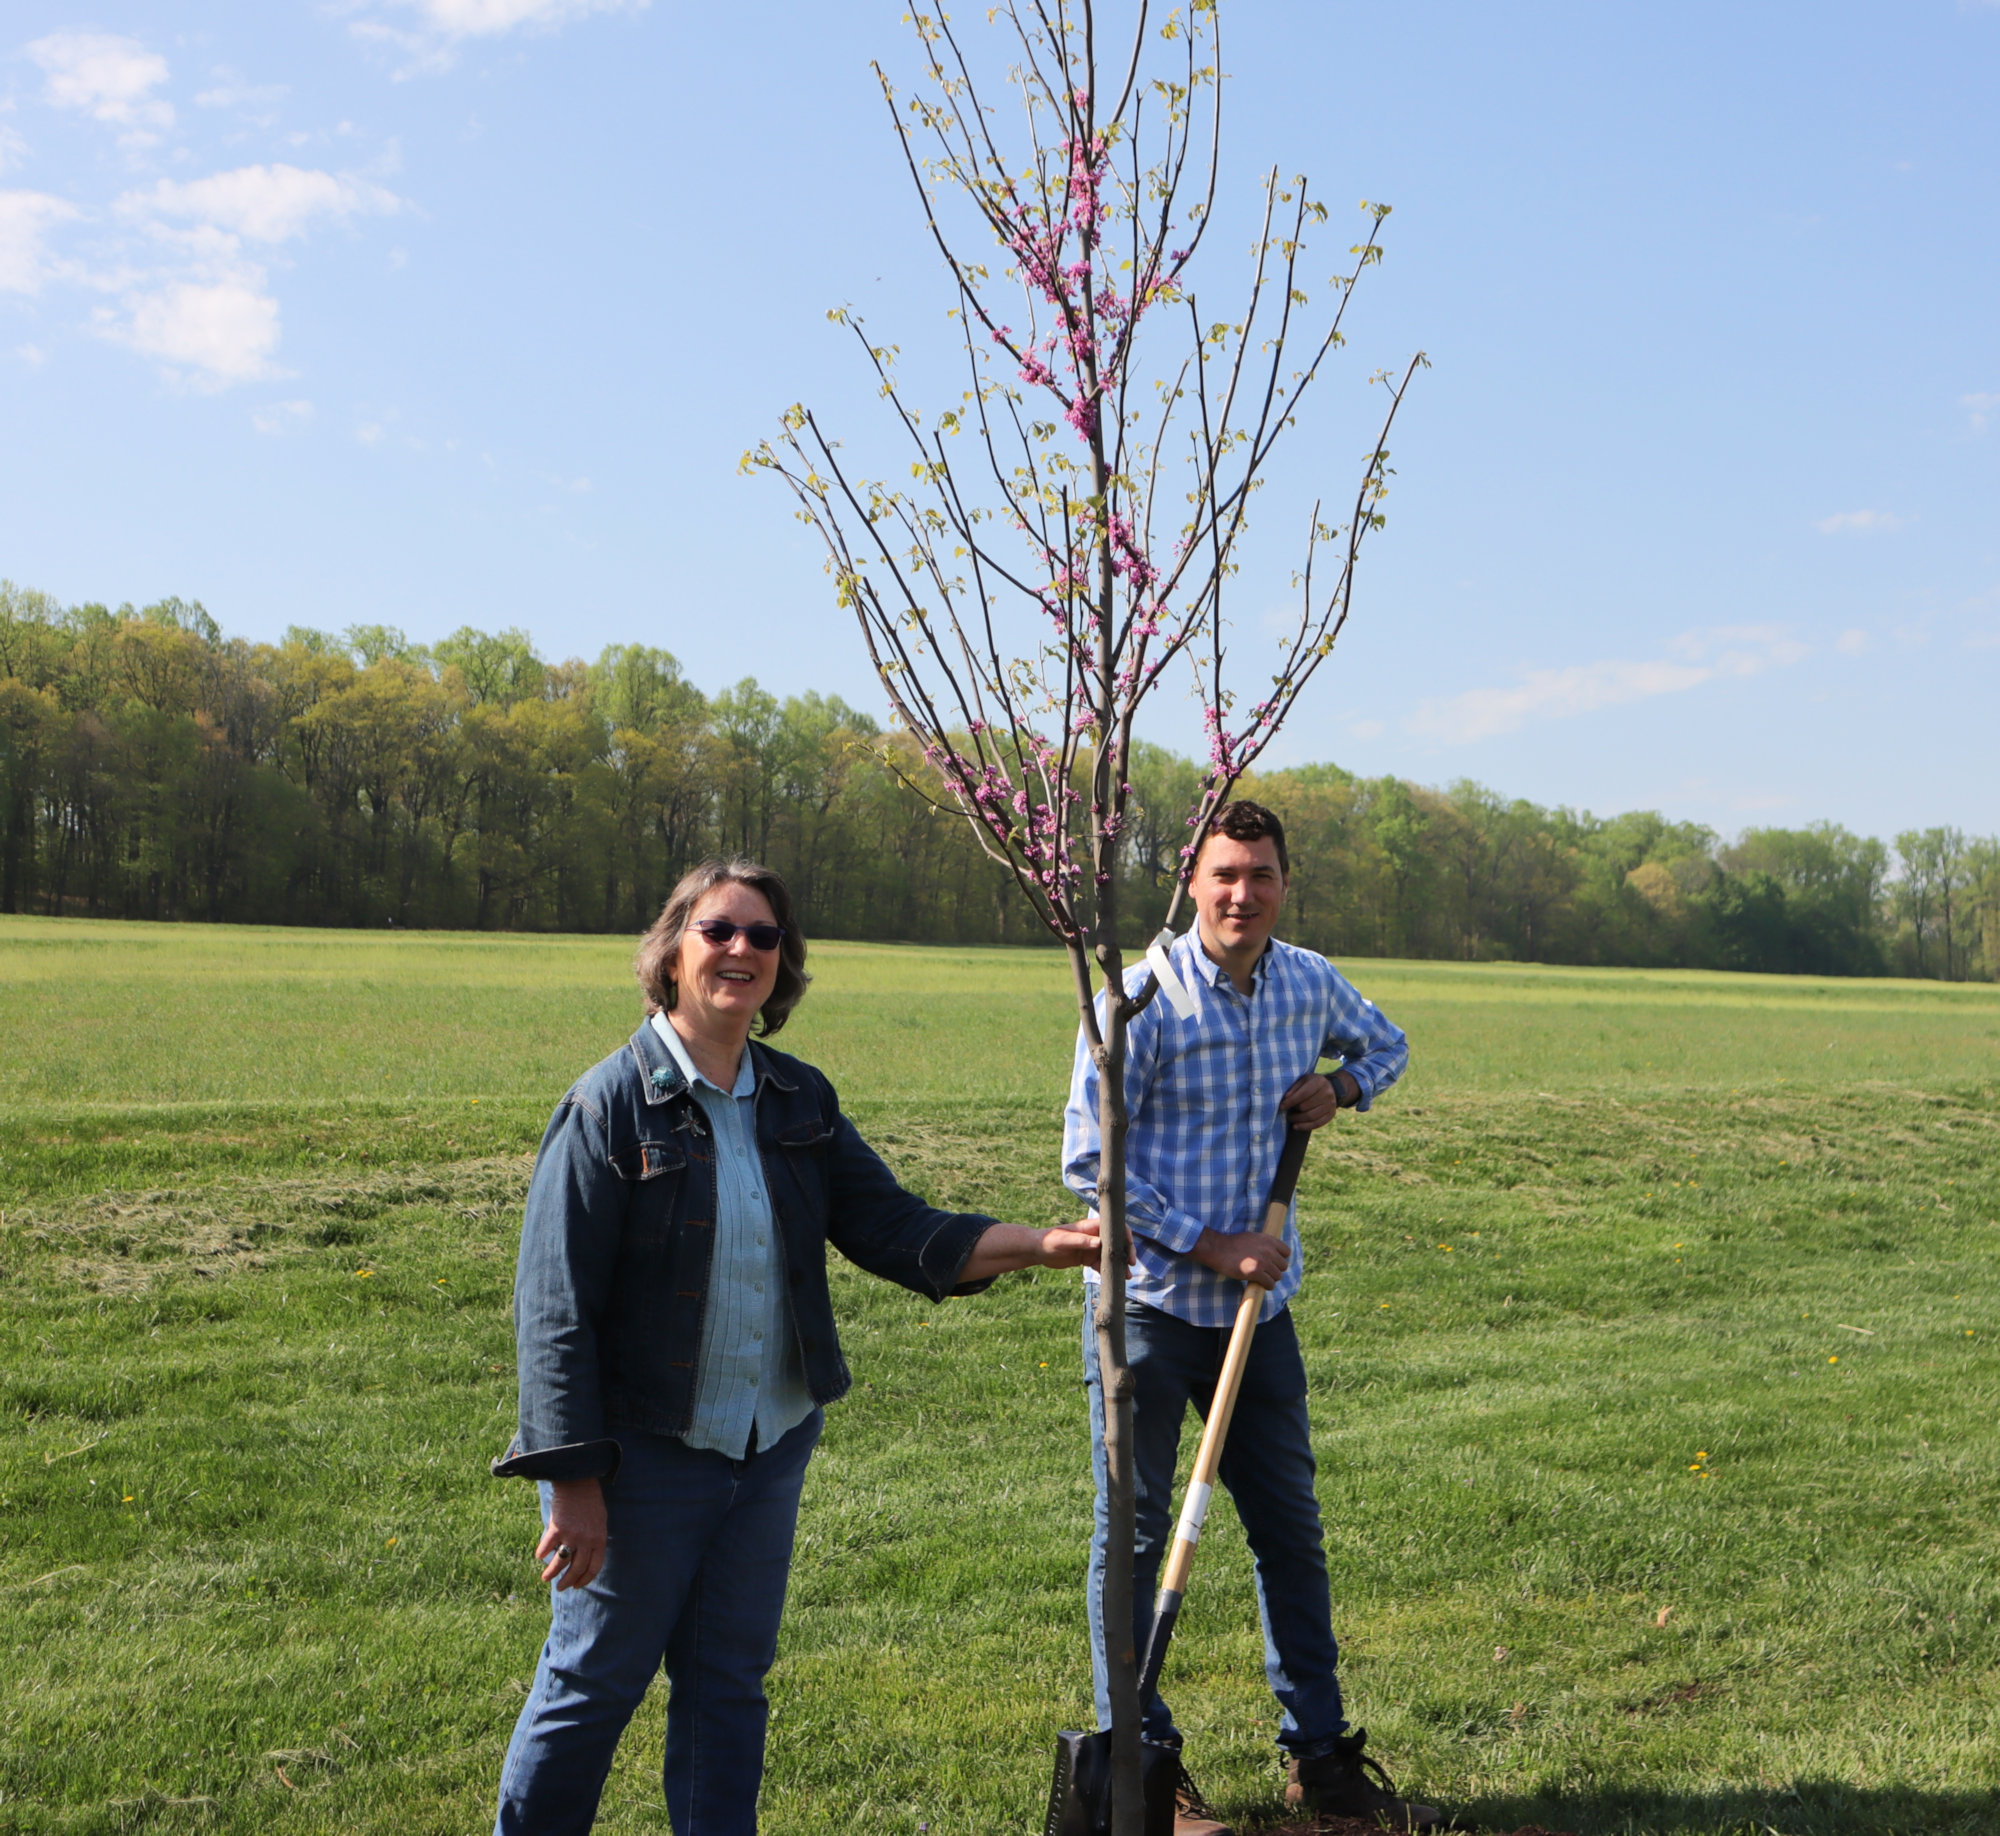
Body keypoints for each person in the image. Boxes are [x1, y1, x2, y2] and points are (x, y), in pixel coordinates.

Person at [491, 856, 1101, 1836]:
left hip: (765, 1451)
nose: (740, 951)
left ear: (784, 964)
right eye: (718, 931)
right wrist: (571, 1477)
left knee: (728, 1687)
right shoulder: (608, 1106)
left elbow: (890, 1225)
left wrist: (1046, 1246)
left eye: (763, 937)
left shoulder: (796, 1102)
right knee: (592, 1685)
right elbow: (553, 1306)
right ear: (672, 952)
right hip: (643, 1456)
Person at [1064, 800, 1441, 1836]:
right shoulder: (1138, 999)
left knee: (1288, 1531)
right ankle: (1141, 1767)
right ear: (1191, 881)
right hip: (1146, 1313)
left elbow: (1391, 1043)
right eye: (1224, 874)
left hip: (1257, 1324)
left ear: (1283, 883)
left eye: (1260, 875)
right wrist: (1208, 1242)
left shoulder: (1306, 981)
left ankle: (1318, 1757)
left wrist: (1342, 1085)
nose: (1241, 894)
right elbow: (1090, 1164)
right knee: (1135, 1541)